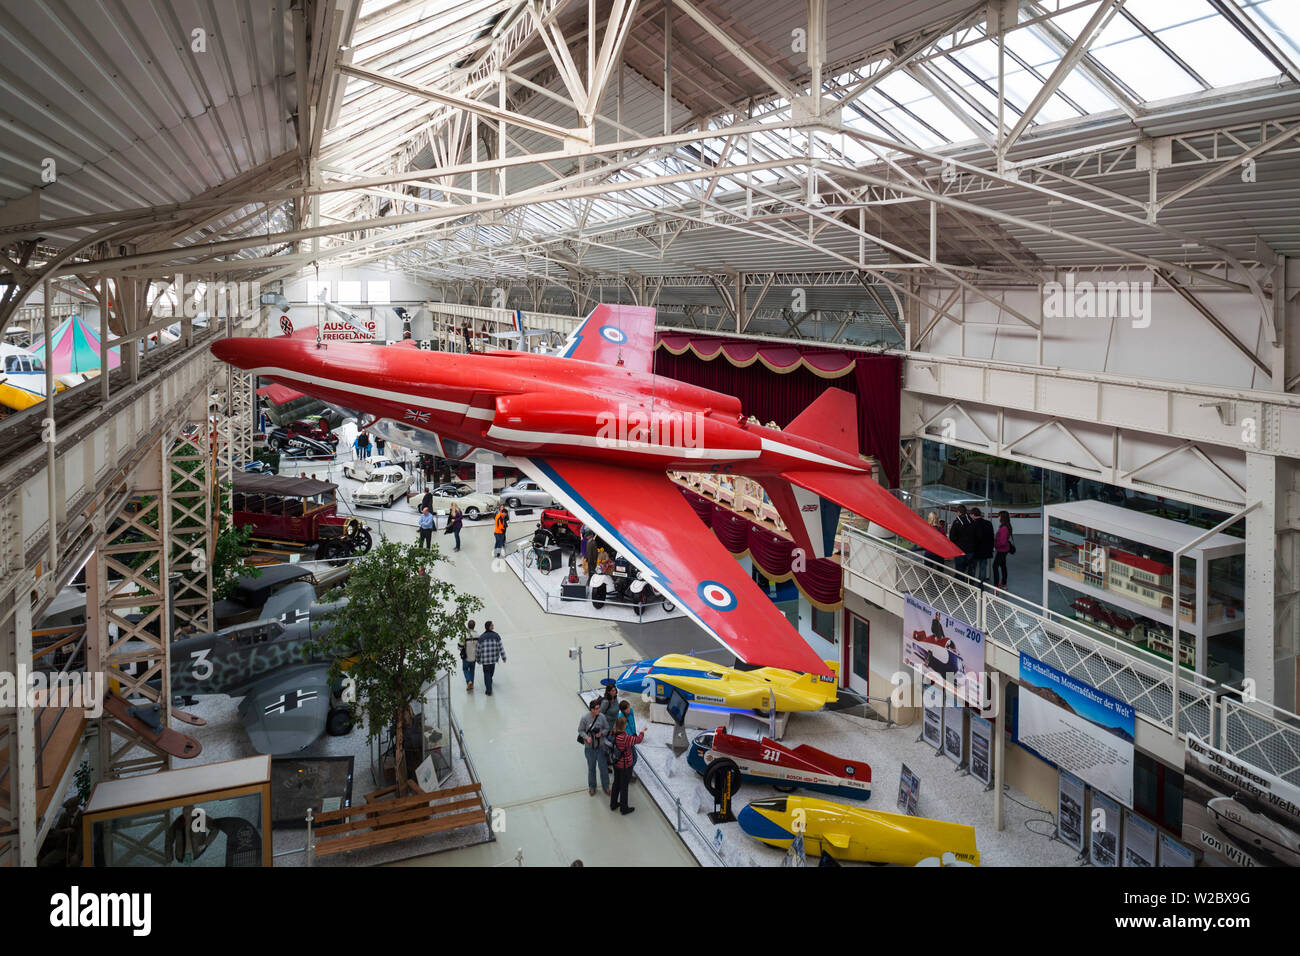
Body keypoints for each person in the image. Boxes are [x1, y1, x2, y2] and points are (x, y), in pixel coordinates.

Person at [608, 715, 645, 815]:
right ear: (623, 726)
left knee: (616, 783)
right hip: (625, 766)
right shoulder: (625, 737)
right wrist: (642, 731)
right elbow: (638, 740)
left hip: (616, 763)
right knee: (624, 786)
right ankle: (624, 808)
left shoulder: (614, 732)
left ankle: (613, 804)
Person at [578, 699, 610, 796]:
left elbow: (607, 728)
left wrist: (601, 733)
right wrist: (587, 737)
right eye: (596, 709)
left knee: (603, 768)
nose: (598, 710)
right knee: (591, 768)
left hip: (600, 747)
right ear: (591, 710)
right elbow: (580, 730)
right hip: (589, 749)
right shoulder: (584, 718)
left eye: (599, 708)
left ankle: (606, 787)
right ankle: (592, 787)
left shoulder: (602, 717)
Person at [476, 622, 505, 695]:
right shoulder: (496, 636)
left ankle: (488, 688)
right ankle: (489, 688)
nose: (493, 626)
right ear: (488, 627)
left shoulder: (482, 637)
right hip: (493, 659)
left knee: (487, 674)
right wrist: (503, 657)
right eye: (492, 625)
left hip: (485, 660)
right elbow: (501, 647)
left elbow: (478, 649)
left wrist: (478, 659)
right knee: (490, 673)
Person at [970, 507, 995, 587]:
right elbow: (991, 537)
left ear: (973, 515)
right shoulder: (988, 523)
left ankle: (972, 585)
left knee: (973, 568)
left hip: (976, 550)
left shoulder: (973, 524)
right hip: (986, 550)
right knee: (983, 568)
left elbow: (973, 538)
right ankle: (981, 586)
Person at [949, 505, 974, 576]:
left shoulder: (956, 522)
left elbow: (952, 537)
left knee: (960, 569)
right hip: (970, 549)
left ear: (958, 512)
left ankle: (960, 586)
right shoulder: (971, 520)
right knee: (970, 569)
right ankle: (971, 585)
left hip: (960, 549)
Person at [993, 510, 1014, 589]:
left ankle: (996, 586)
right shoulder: (1006, 526)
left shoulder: (1004, 528)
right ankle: (1004, 583)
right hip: (1004, 550)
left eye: (999, 516)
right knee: (1003, 565)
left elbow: (1002, 542)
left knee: (995, 566)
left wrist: (995, 544)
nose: (998, 517)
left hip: (1002, 550)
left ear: (1002, 517)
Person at [459, 619, 478, 691]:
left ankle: (468, 681)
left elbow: (459, 646)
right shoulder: (477, 635)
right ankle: (471, 684)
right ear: (474, 626)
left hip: (466, 657)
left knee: (465, 669)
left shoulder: (465, 635)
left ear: (468, 626)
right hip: (474, 657)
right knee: (472, 670)